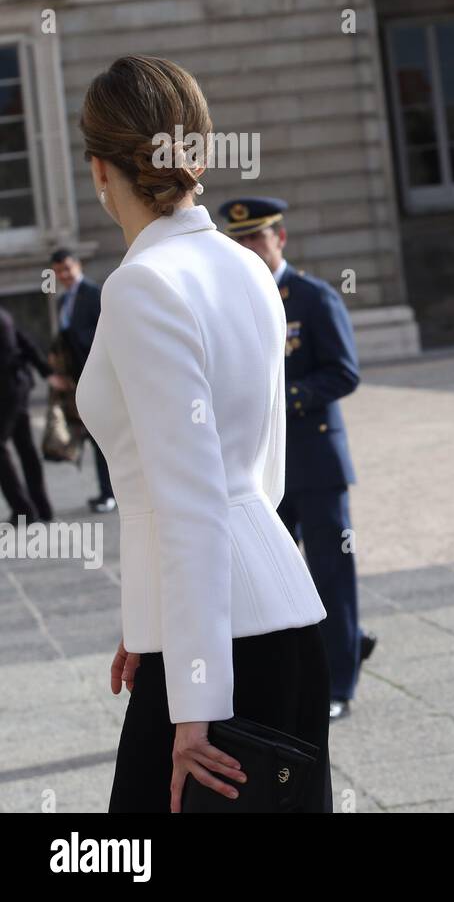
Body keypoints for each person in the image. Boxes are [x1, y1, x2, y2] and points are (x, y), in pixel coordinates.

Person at [75, 55, 331, 813]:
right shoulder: (247, 265)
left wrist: (192, 705)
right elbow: (258, 476)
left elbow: (191, 499)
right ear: (201, 151)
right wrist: (153, 621)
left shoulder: (141, 286)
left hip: (217, 663)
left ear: (98, 169)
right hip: (267, 619)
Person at [218, 197, 370, 722]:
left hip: (315, 463)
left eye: (257, 238)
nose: (249, 250)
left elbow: (344, 371)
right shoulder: (232, 302)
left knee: (330, 574)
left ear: (280, 239)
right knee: (272, 580)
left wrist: (284, 399)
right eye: (239, 241)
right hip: (261, 471)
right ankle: (290, 681)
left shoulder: (311, 297)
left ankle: (340, 684)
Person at [49, 248, 115, 513]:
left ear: (78, 266)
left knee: (103, 438)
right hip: (77, 380)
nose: (64, 275)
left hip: (99, 375)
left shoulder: (94, 294)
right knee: (91, 436)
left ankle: (109, 493)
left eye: (67, 268)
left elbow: (105, 332)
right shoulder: (62, 301)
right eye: (58, 271)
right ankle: (106, 491)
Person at [0, 305, 54, 524]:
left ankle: (24, 510)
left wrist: (47, 372)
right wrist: (46, 371)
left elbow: (19, 344)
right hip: (18, 386)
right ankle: (42, 507)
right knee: (25, 447)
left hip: (7, 391)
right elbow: (25, 340)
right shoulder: (4, 313)